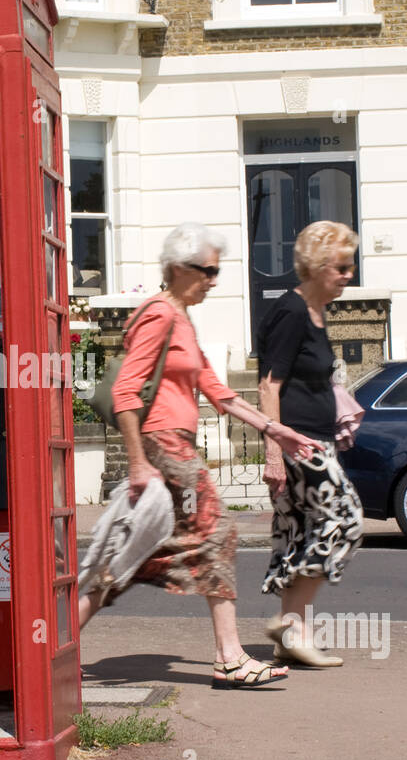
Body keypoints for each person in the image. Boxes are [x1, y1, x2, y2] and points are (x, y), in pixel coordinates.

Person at [79, 222, 320, 689]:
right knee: (221, 531)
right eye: (207, 270)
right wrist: (138, 463)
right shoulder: (159, 315)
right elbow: (126, 393)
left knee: (136, 556)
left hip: (174, 446)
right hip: (163, 445)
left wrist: (277, 430)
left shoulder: (182, 318)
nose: (213, 280)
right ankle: (230, 657)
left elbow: (219, 393)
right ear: (176, 268)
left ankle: (46, 648)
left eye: (216, 271)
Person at [257, 220, 364, 667]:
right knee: (347, 519)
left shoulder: (316, 312)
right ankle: (293, 627)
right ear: (318, 266)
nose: (348, 275)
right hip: (300, 446)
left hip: (313, 442)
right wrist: (274, 457)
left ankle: (291, 634)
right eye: (341, 267)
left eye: (350, 266)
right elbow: (267, 385)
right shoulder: (292, 312)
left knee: (299, 532)